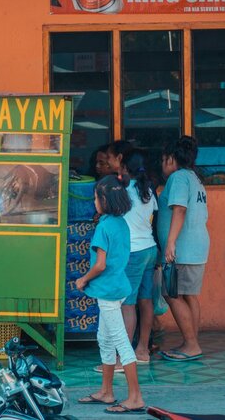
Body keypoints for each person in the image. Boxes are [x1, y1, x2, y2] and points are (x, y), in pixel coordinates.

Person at [75, 175, 145, 415]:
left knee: (120, 342)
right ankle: (106, 392)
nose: (94, 201)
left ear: (104, 199)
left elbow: (100, 265)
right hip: (117, 288)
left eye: (96, 197)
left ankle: (135, 397)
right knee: (105, 339)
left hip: (107, 290)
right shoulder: (121, 223)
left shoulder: (103, 227)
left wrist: (84, 279)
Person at [156, 136, 209, 362]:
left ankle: (191, 344)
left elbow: (179, 210)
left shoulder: (178, 178)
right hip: (197, 246)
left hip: (183, 248)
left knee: (172, 294)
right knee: (189, 296)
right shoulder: (195, 178)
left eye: (163, 159)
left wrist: (170, 243)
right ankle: (191, 342)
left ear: (172, 159)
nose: (162, 164)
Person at [121, 149, 158, 364]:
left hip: (134, 252)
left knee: (128, 304)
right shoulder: (148, 191)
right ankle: (142, 350)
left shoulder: (125, 192)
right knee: (145, 301)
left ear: (126, 169)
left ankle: (124, 358)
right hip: (150, 250)